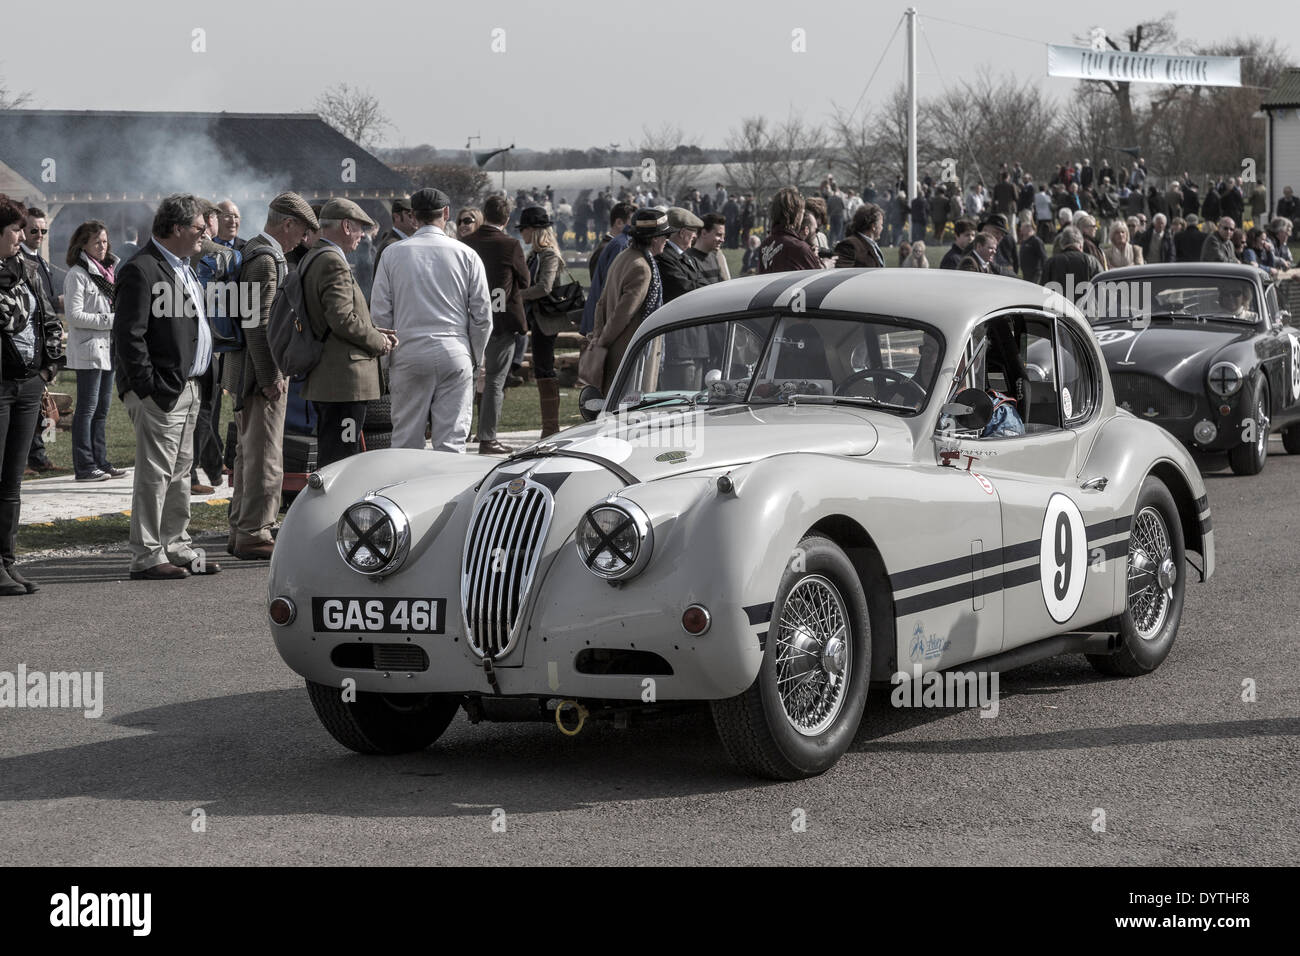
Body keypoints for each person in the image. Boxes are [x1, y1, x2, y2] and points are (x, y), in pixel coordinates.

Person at [111, 193, 222, 581]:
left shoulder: (184, 266)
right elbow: (129, 336)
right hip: (162, 392)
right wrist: (148, 387)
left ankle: (175, 545)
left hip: (187, 387)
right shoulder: (141, 269)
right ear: (176, 228)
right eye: (198, 227)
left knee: (180, 472)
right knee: (155, 474)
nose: (205, 234)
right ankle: (145, 555)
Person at [220, 192, 316, 561]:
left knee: (249, 453)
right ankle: (255, 531)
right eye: (302, 230)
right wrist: (270, 375)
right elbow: (258, 325)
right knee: (265, 456)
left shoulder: (255, 251)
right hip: (259, 373)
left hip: (244, 370)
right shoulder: (267, 258)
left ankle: (241, 527)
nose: (303, 239)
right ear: (287, 223)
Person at [371, 188, 491, 453]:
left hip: (407, 349)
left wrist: (385, 361)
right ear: (446, 214)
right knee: (451, 444)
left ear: (413, 217)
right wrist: (474, 355)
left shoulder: (393, 254)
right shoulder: (466, 254)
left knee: (406, 443)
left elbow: (380, 314)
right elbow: (482, 316)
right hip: (455, 348)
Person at [301, 199, 396, 466]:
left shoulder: (318, 256)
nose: (362, 236)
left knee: (336, 454)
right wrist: (378, 340)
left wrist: (373, 330)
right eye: (359, 229)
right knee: (341, 459)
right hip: (343, 382)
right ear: (345, 226)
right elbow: (341, 318)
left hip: (334, 379)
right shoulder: (333, 261)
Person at [0, 195, 63, 595]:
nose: (22, 236)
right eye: (15, 229)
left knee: (11, 483)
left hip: (27, 384)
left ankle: (7, 560)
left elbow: (48, 318)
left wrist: (47, 369)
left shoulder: (27, 268)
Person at [464, 195, 529, 455]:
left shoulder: (467, 242)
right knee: (494, 381)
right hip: (501, 319)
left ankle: (462, 431)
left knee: (467, 379)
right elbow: (524, 280)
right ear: (507, 219)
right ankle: (487, 437)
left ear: (484, 214)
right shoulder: (511, 244)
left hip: (470, 319)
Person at [63, 220, 125, 482]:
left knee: (102, 410)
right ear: (83, 245)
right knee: (86, 410)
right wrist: (111, 320)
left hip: (108, 349)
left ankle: (101, 461)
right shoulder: (77, 274)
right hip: (89, 349)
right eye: (97, 242)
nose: (103, 246)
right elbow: (74, 316)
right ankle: (85, 465)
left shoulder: (108, 272)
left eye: (105, 241)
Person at [590, 209, 671, 394]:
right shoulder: (642, 268)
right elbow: (622, 315)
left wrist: (598, 337)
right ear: (654, 238)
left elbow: (601, 304)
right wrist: (601, 341)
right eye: (664, 235)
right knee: (630, 414)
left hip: (618, 351)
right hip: (631, 355)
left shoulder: (624, 257)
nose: (667, 240)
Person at [518, 206, 565, 439]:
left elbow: (544, 287)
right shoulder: (534, 254)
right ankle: (549, 427)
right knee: (542, 367)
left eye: (524, 229)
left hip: (547, 320)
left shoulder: (548, 254)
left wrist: (517, 295)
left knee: (545, 369)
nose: (522, 234)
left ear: (533, 231)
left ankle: (550, 428)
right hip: (537, 319)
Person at [20, 208, 60, 474]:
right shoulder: (19, 260)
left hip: (44, 342)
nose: (39, 235)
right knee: (26, 409)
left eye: (43, 231)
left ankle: (40, 455)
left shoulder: (41, 262)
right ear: (23, 230)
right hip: (27, 344)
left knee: (43, 407)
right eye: (34, 230)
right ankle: (24, 458)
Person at [581, 201, 636, 336]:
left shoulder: (612, 245)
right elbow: (606, 288)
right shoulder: (615, 246)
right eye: (633, 222)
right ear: (619, 223)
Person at [758, 187, 820, 273]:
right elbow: (818, 280)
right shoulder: (799, 248)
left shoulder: (765, 245)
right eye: (802, 212)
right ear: (796, 214)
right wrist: (825, 264)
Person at [1043, 227, 1102, 304]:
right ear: (1081, 245)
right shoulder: (1091, 260)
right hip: (1086, 311)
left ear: (1062, 244)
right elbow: (1102, 287)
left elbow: (1043, 291)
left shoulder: (1051, 262)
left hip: (1059, 310)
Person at [834, 202, 885, 268]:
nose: (882, 228)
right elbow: (841, 274)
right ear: (873, 227)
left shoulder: (871, 244)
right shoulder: (849, 245)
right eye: (881, 224)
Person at [373, 197, 416, 270]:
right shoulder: (391, 245)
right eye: (410, 215)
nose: (415, 219)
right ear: (397, 217)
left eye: (416, 215)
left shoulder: (397, 242)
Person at [688, 213, 730, 283]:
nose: (722, 240)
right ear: (704, 233)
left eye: (723, 236)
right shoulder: (688, 260)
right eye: (719, 235)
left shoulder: (715, 257)